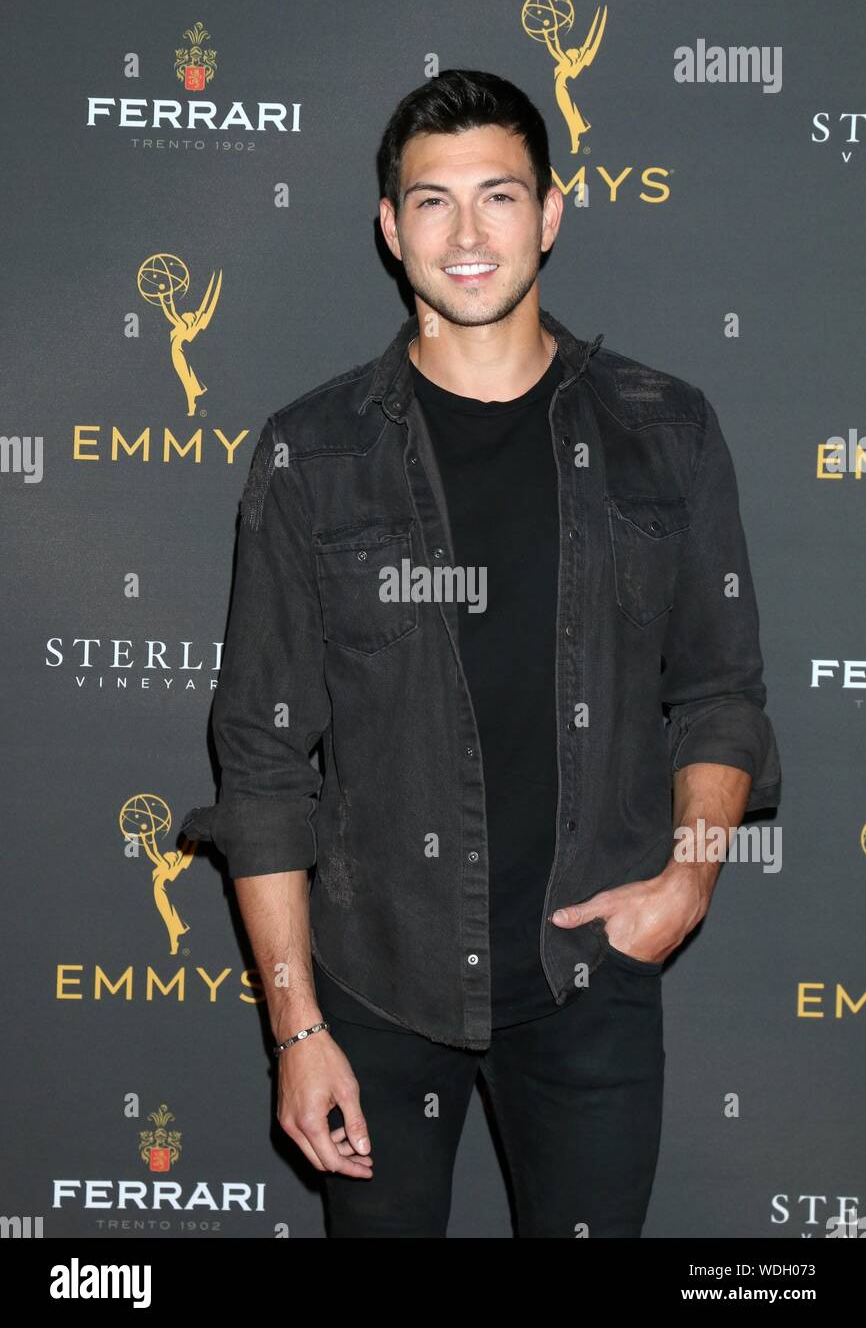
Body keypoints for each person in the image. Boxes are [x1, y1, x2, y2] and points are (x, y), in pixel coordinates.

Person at [181, 69, 781, 1238]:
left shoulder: (663, 431)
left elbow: (720, 696)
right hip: (377, 983)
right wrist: (297, 1031)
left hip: (587, 984)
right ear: (387, 230)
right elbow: (260, 765)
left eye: (498, 197)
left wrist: (690, 876)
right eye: (430, 202)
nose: (466, 235)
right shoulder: (313, 455)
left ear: (549, 215)